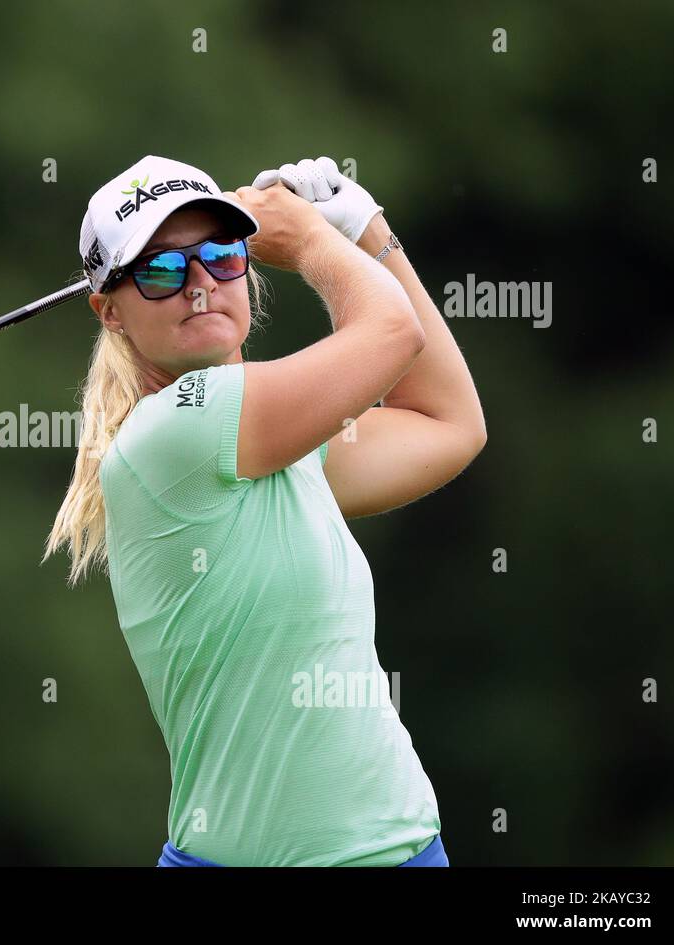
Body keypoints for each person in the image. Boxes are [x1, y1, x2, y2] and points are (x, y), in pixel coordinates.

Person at [42, 154, 486, 866]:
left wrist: (367, 230)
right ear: (110, 311)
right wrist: (320, 241)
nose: (198, 285)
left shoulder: (281, 446)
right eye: (160, 271)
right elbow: (391, 335)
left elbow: (447, 422)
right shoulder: (177, 429)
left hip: (407, 853)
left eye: (220, 256)